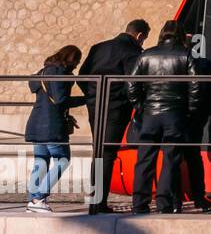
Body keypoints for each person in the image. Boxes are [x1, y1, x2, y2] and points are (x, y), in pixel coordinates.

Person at [127, 22, 201, 214]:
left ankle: (139, 203)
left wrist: (141, 106)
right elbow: (195, 87)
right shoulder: (185, 55)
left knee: (144, 159)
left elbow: (132, 85)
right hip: (175, 114)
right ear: (181, 35)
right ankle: (164, 203)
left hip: (150, 113)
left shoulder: (146, 54)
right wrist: (189, 111)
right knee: (171, 159)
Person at [78, 19, 149, 213]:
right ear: (139, 36)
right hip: (116, 108)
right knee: (108, 153)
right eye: (144, 40)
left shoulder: (98, 48)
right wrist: (130, 101)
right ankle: (98, 203)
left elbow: (83, 75)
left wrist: (92, 96)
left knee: (98, 152)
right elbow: (132, 82)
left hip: (95, 106)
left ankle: (96, 200)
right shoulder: (132, 52)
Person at [25, 46, 87, 213]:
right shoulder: (60, 73)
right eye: (76, 61)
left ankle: (32, 200)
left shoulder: (42, 72)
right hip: (52, 125)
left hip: (36, 123)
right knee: (62, 160)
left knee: (40, 161)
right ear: (70, 59)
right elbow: (60, 100)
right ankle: (39, 198)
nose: (76, 65)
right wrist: (86, 99)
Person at [182, 50, 211, 212]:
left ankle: (169, 201)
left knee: (171, 158)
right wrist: (204, 113)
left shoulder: (151, 56)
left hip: (170, 115)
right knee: (193, 157)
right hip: (195, 118)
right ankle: (199, 197)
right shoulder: (204, 64)